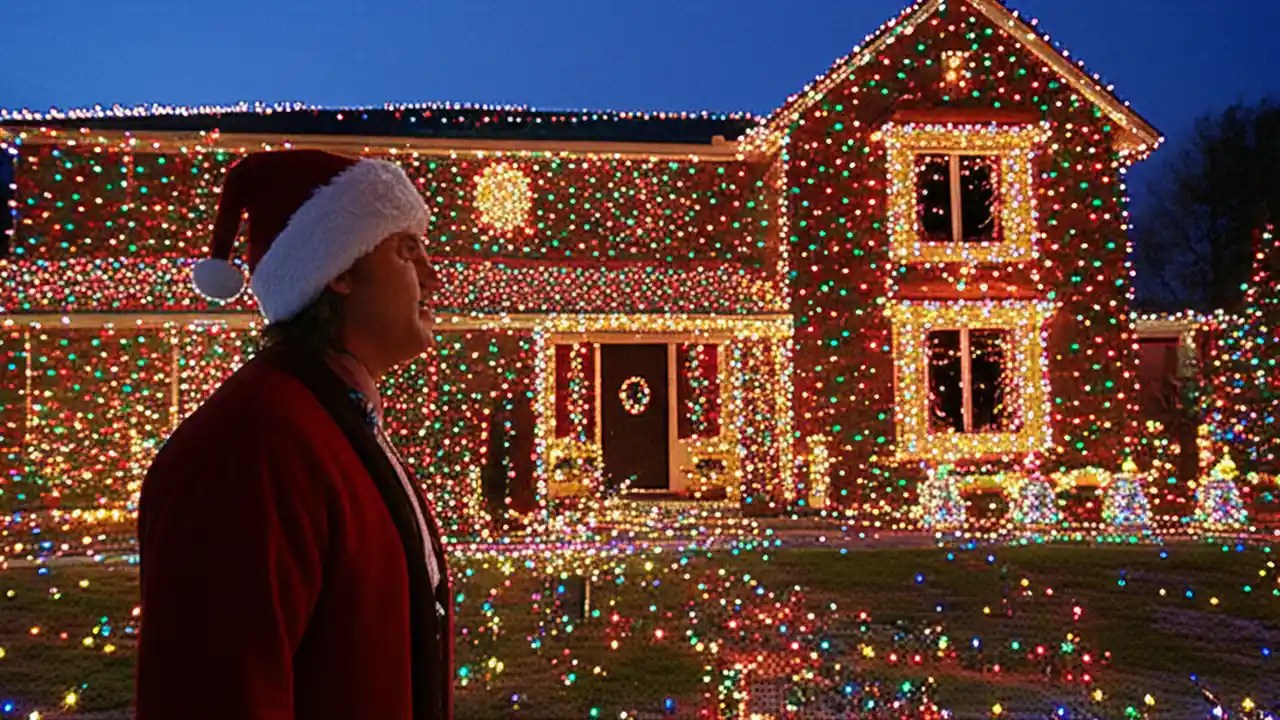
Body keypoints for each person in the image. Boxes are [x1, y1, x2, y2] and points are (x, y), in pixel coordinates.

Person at [136, 149, 452, 720]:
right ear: (339, 269)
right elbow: (218, 690)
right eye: (408, 250)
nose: (433, 274)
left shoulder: (337, 421)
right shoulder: (252, 447)